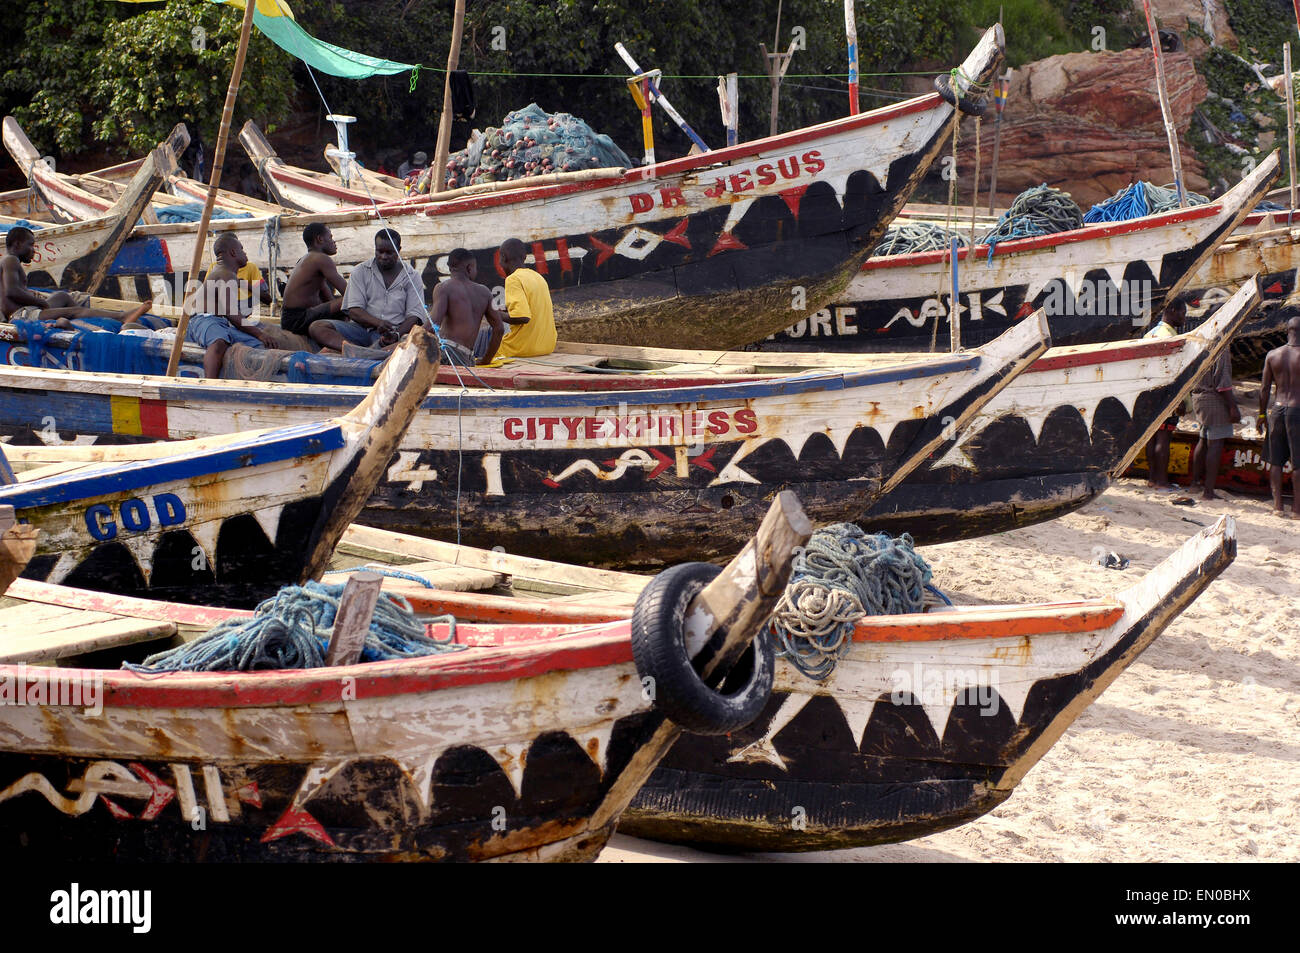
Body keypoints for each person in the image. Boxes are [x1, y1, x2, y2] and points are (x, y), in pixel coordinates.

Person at [1, 226, 152, 329]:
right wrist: (41, 302)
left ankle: (80, 323)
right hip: (23, 315)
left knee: (62, 296)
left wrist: (30, 295)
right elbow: (12, 292)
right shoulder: (11, 260)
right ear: (17, 243)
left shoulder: (9, 261)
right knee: (74, 311)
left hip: (28, 310)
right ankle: (122, 317)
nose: (34, 251)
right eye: (31, 245)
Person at [310, 228, 426, 352]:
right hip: (361, 331)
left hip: (394, 336)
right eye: (379, 252)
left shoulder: (412, 275)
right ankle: (356, 351)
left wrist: (396, 334)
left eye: (389, 252)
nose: (384, 257)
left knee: (414, 342)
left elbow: (414, 315)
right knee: (317, 327)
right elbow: (354, 310)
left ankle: (367, 352)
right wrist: (377, 322)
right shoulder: (360, 271)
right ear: (375, 249)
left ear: (398, 250)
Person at [185, 232, 274, 378]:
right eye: (242, 250)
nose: (245, 253)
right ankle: (210, 386)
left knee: (258, 345)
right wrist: (260, 333)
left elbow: (265, 298)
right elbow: (231, 312)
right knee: (219, 342)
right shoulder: (225, 273)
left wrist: (259, 337)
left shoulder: (228, 272)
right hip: (202, 320)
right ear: (233, 252)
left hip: (222, 323)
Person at [429, 247, 507, 366]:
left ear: (450, 268)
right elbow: (499, 328)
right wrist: (486, 360)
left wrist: (406, 338)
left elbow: (432, 325)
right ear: (469, 268)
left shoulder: (443, 287)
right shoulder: (485, 292)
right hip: (468, 358)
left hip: (447, 356)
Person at [1142, 297, 1188, 489]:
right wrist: (1180, 398)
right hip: (1166, 394)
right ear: (1171, 310)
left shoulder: (1149, 335)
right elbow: (1173, 371)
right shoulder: (1171, 338)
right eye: (1182, 313)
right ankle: (1161, 481)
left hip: (1147, 393)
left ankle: (1152, 478)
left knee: (1151, 437)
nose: (1184, 318)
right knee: (1163, 437)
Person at [1259, 312, 1300, 517]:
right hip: (1297, 411)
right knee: (1298, 462)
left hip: (1277, 409)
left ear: (1287, 332)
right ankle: (1296, 509)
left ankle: (1277, 506)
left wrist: (1261, 415)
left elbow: (1264, 389)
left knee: (1276, 461)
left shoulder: (1273, 355)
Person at [492, 237, 556, 364]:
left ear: (503, 258)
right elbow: (532, 307)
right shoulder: (537, 277)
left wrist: (492, 312)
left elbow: (522, 317)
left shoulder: (513, 279)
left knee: (482, 342)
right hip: (547, 346)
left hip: (522, 348)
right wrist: (506, 309)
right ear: (525, 257)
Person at [1189, 344, 1241, 501]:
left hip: (1198, 397)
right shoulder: (1222, 347)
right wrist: (1233, 407)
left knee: (1203, 439)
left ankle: (1194, 484)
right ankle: (1208, 492)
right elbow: (1223, 385)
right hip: (1214, 399)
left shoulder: (1201, 344)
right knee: (1215, 444)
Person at [280, 223, 346, 335]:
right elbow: (349, 292)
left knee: (342, 304)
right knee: (352, 298)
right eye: (330, 237)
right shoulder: (321, 259)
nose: (334, 241)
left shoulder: (306, 259)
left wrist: (337, 314)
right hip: (298, 319)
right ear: (320, 239)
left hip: (288, 319)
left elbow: (326, 295)